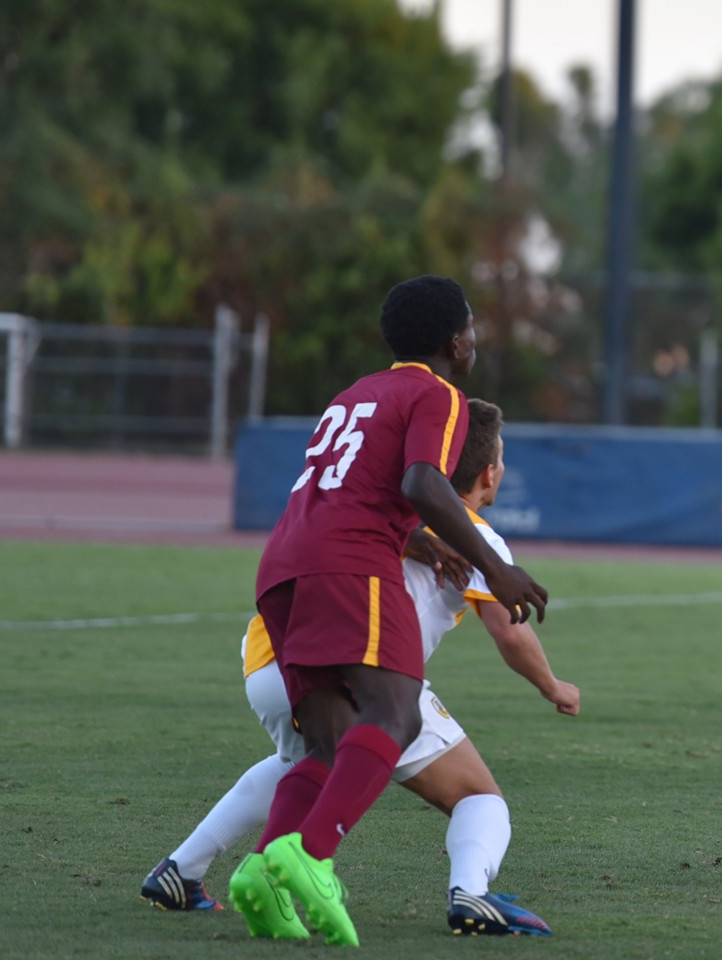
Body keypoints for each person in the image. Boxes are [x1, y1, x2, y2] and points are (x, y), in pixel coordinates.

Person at [141, 399, 574, 937]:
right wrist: (552, 684)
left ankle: (180, 870)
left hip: (268, 657)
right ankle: (471, 895)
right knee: (477, 796)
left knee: (301, 763)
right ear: (491, 473)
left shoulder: (381, 506)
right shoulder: (476, 536)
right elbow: (509, 630)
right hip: (357, 665)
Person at [230, 275, 548, 946]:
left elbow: (352, 487)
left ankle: (263, 875)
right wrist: (497, 567)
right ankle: (312, 855)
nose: (474, 341)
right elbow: (421, 482)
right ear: (455, 341)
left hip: (283, 565)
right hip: (349, 565)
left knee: (327, 738)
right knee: (396, 713)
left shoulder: (355, 394)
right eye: (471, 329)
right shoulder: (440, 394)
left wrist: (422, 541)